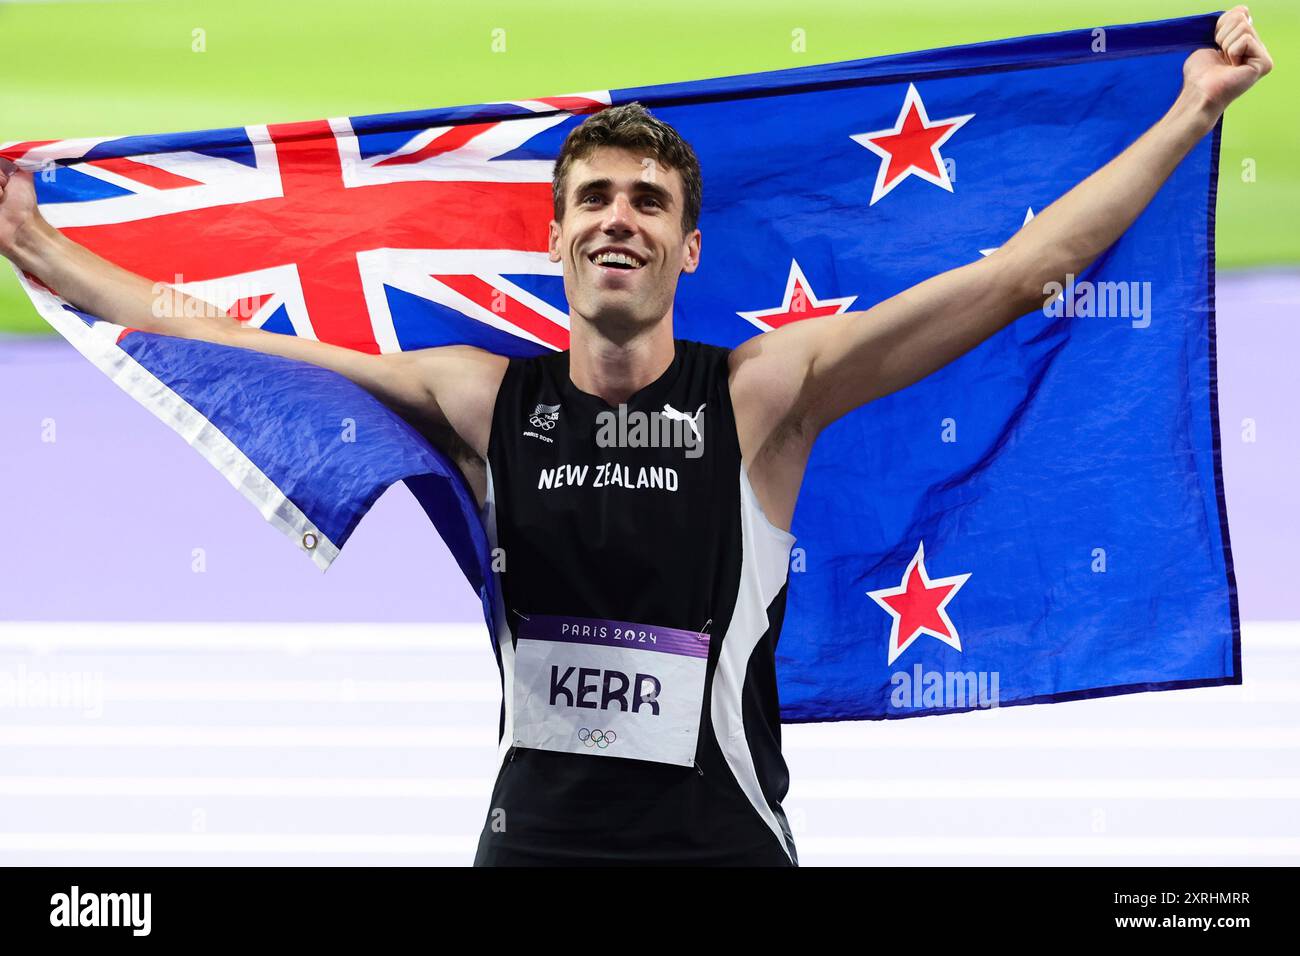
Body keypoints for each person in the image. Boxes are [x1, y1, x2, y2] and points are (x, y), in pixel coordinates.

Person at [0, 8, 1271, 865]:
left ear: (686, 246)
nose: (620, 218)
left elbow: (1019, 272)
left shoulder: (769, 393)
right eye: (594, 198)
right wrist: (52, 253)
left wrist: (1184, 112)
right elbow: (240, 338)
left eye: (648, 201)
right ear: (557, 241)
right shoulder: (479, 398)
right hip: (531, 853)